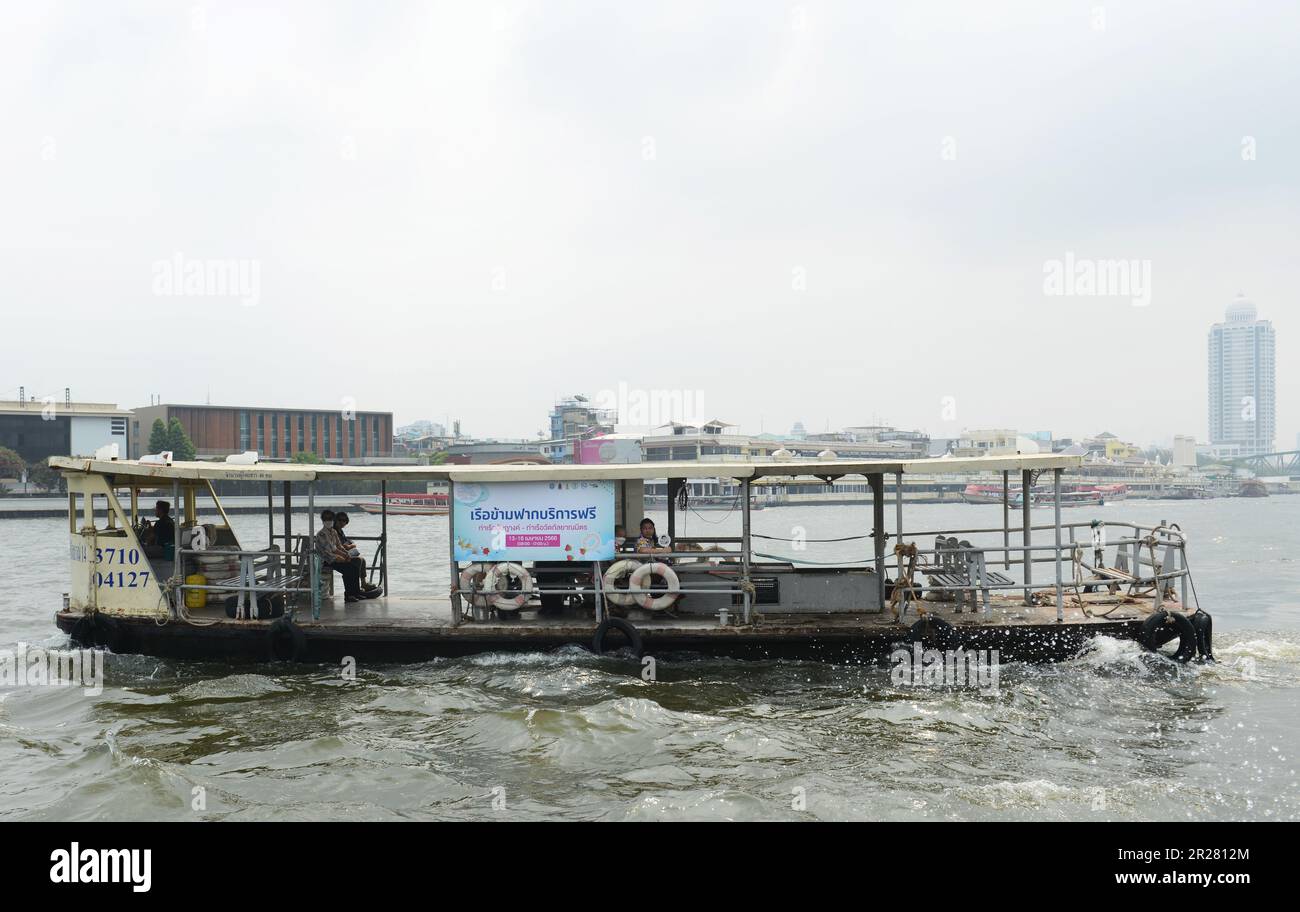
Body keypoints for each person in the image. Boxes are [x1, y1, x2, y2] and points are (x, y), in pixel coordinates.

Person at [315, 509, 374, 603]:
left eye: (330, 518)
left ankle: (355, 592)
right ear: (323, 520)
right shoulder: (321, 534)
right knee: (348, 569)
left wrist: (346, 555)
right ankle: (348, 595)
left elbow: (338, 546)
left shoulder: (333, 532)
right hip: (326, 560)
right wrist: (340, 558)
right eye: (326, 519)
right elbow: (328, 551)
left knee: (354, 567)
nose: (328, 521)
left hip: (334, 558)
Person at [333, 512, 381, 594]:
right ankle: (356, 588)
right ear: (335, 520)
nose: (342, 522)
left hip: (343, 554)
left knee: (362, 559)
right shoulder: (334, 532)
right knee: (358, 560)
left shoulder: (340, 531)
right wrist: (351, 546)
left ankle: (363, 584)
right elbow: (342, 546)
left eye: (344, 520)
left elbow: (347, 543)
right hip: (336, 557)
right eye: (339, 520)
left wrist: (350, 546)